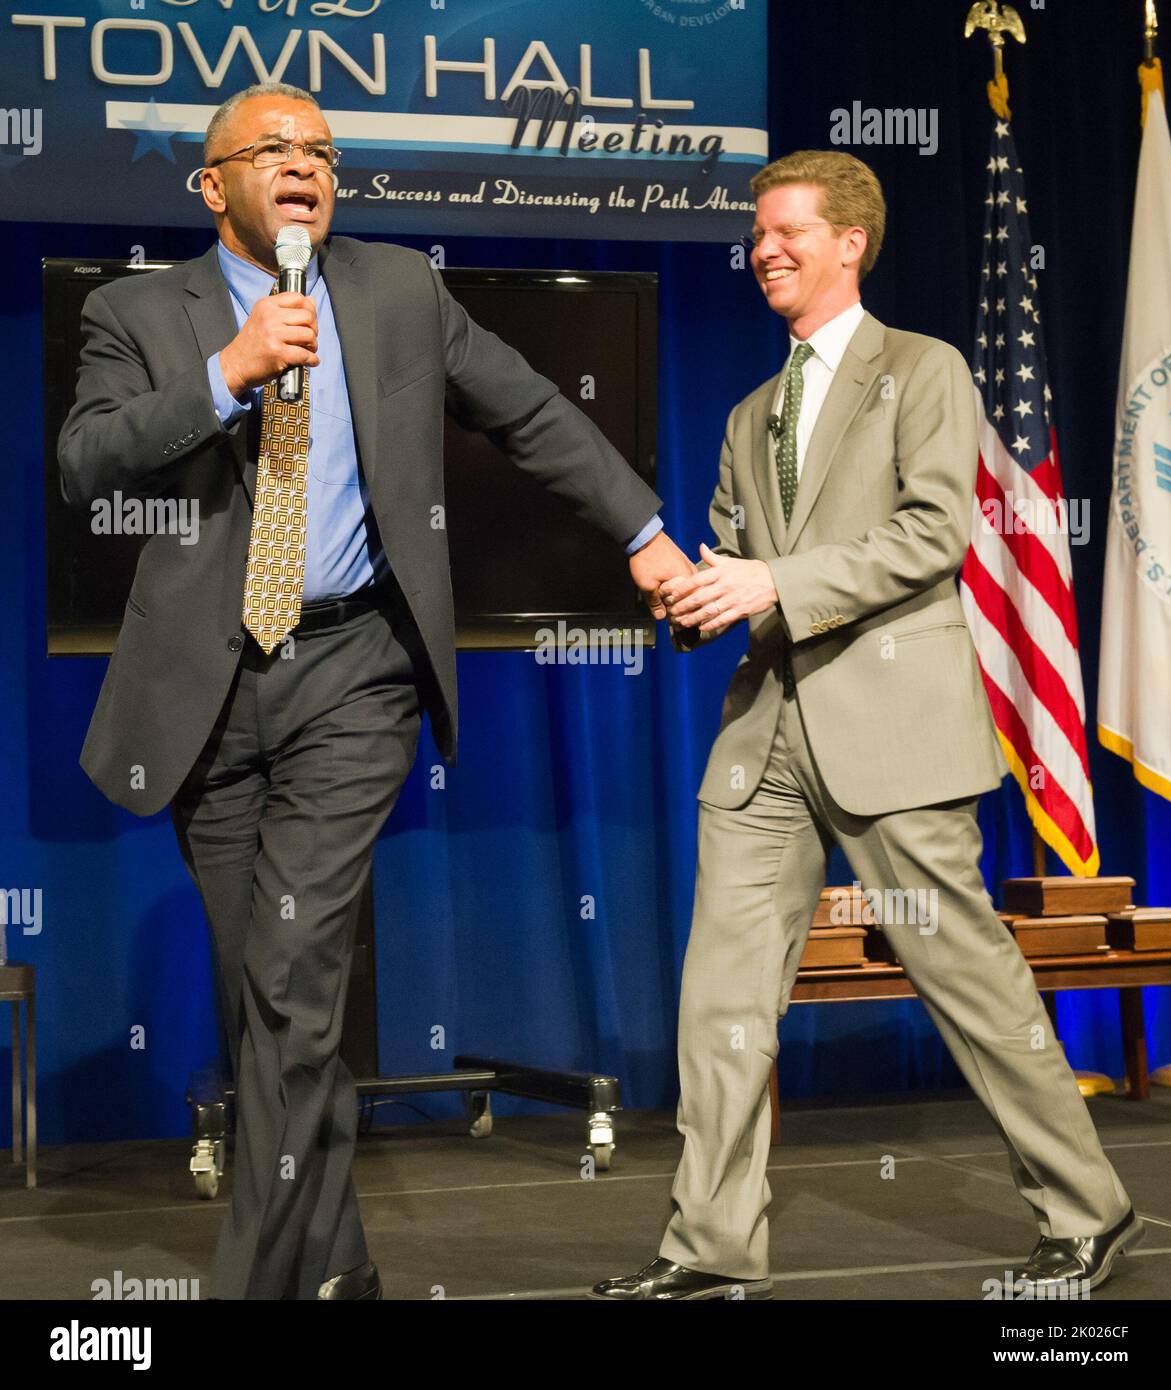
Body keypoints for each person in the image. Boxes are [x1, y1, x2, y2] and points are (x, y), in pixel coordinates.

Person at [58, 81, 692, 1301]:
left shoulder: (400, 287)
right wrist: (228, 372)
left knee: (292, 980)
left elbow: (532, 412)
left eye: (322, 151)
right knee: (265, 1009)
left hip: (354, 669)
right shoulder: (139, 309)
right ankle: (339, 1268)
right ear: (212, 183)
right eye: (273, 148)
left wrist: (644, 533)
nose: (303, 165)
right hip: (203, 695)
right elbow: (89, 460)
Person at [590, 150, 1140, 1301]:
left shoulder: (922, 370)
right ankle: (708, 1250)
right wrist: (693, 596)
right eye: (755, 233)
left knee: (969, 984)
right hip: (764, 747)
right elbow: (734, 561)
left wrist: (769, 582)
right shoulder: (749, 414)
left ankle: (1089, 1211)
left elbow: (933, 532)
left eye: (787, 229)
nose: (763, 249)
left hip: (887, 735)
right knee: (721, 1004)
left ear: (850, 244)